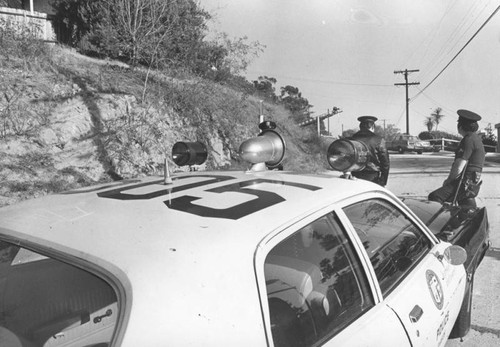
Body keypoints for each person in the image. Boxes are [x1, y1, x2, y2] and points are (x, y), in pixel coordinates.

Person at [428, 109, 485, 208]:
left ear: (461, 126)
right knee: (465, 204)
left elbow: (459, 166)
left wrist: (448, 181)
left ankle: (443, 221)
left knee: (435, 197)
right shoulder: (476, 139)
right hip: (471, 184)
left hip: (464, 182)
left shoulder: (468, 140)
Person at [349, 116, 390, 186]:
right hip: (372, 176)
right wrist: (383, 181)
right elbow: (385, 163)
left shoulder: (352, 139)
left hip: (354, 175)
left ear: (360, 127)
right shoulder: (379, 140)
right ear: (373, 126)